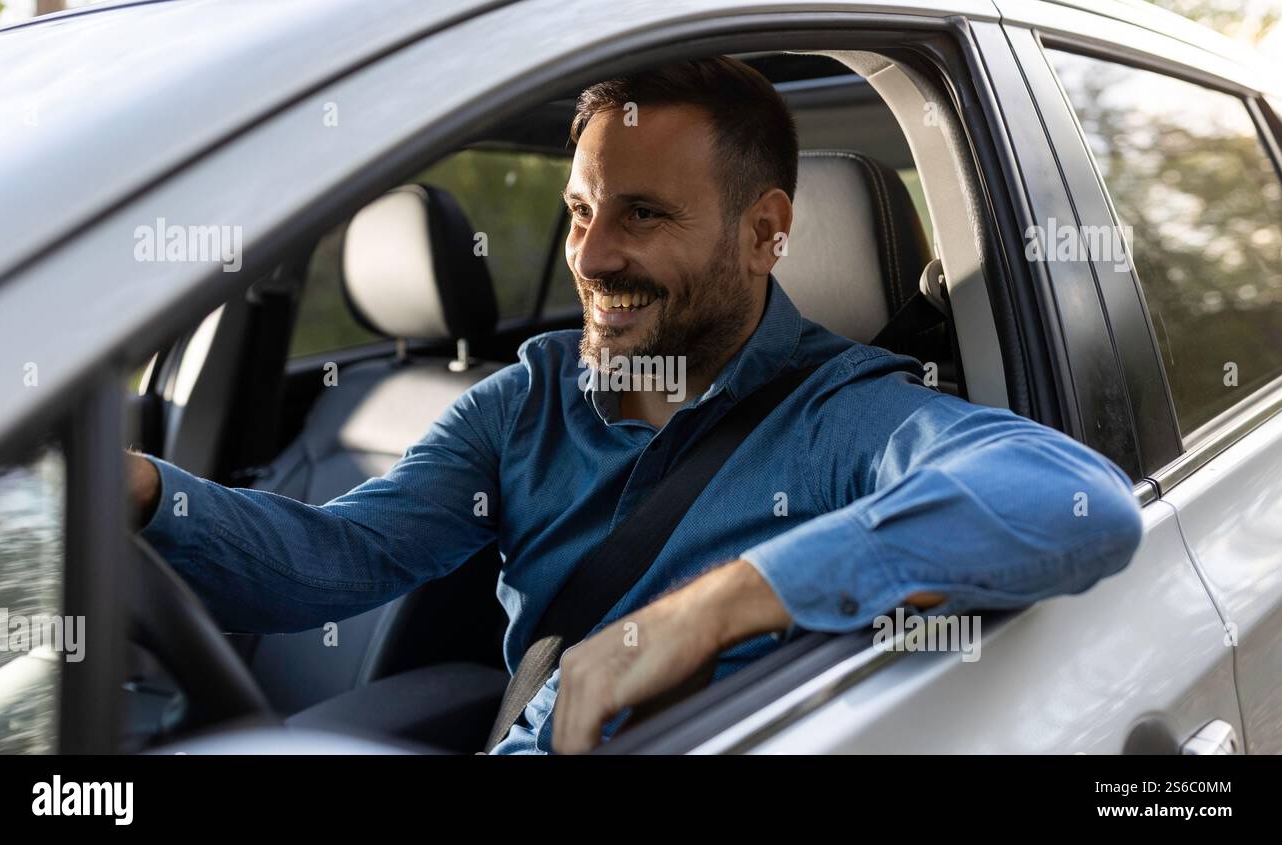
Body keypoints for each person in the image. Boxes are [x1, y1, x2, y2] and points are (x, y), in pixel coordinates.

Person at [127, 56, 1142, 754]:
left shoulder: (847, 414)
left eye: (642, 215)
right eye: (581, 210)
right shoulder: (523, 400)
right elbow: (338, 562)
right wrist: (137, 494)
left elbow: (1078, 500)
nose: (592, 254)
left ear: (762, 233)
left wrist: (701, 615)